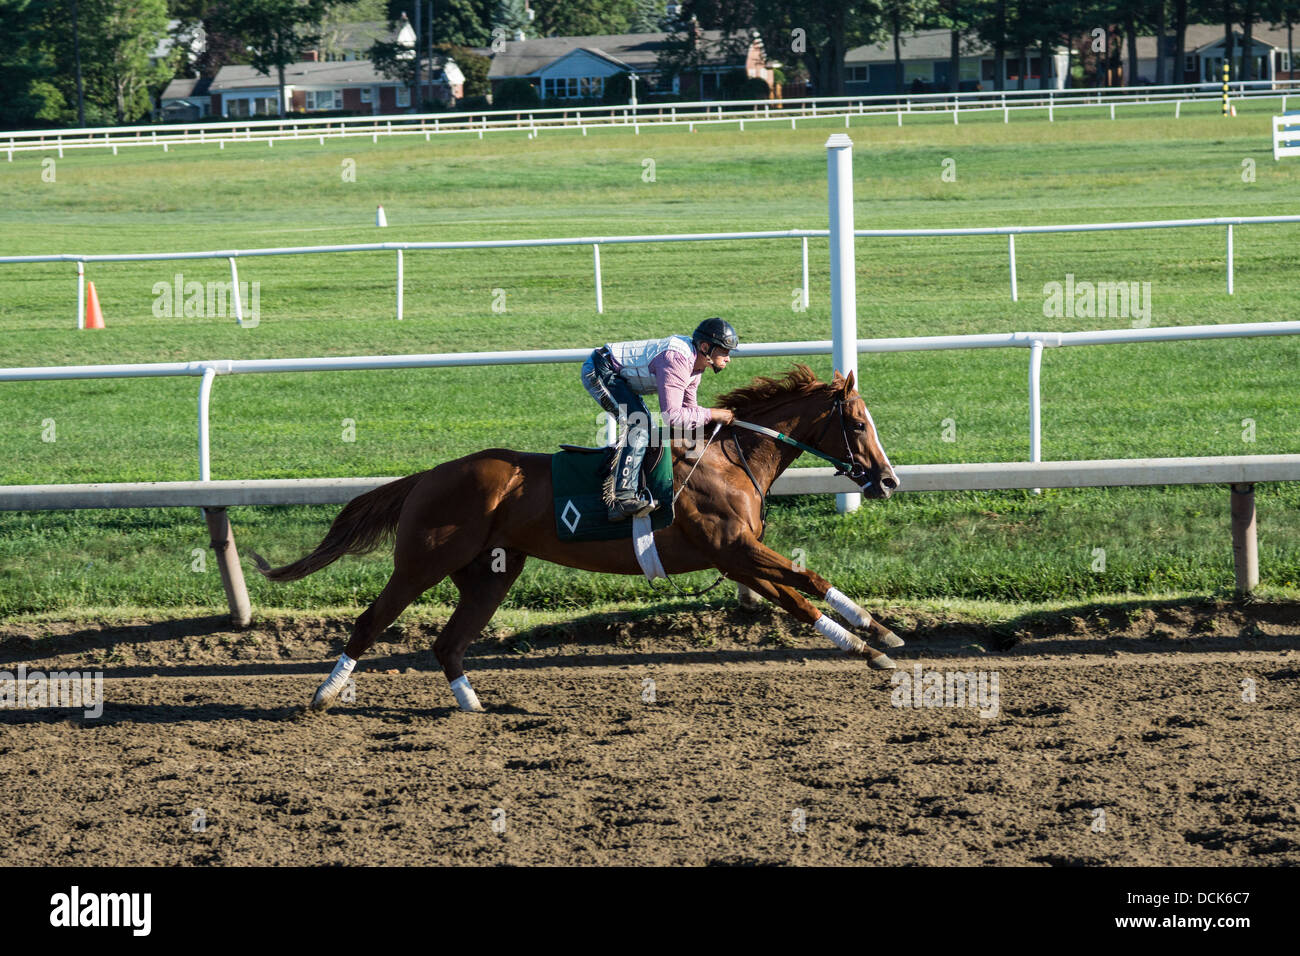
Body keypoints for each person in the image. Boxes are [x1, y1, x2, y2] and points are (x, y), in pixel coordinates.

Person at [581, 318, 739, 520]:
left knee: (649, 429)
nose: (728, 358)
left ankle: (643, 483)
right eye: (724, 351)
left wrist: (709, 421)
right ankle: (621, 499)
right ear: (706, 347)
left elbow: (689, 414)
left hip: (616, 374)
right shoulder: (677, 360)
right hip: (600, 369)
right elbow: (672, 416)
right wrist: (713, 413)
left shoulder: (696, 368)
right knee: (640, 425)